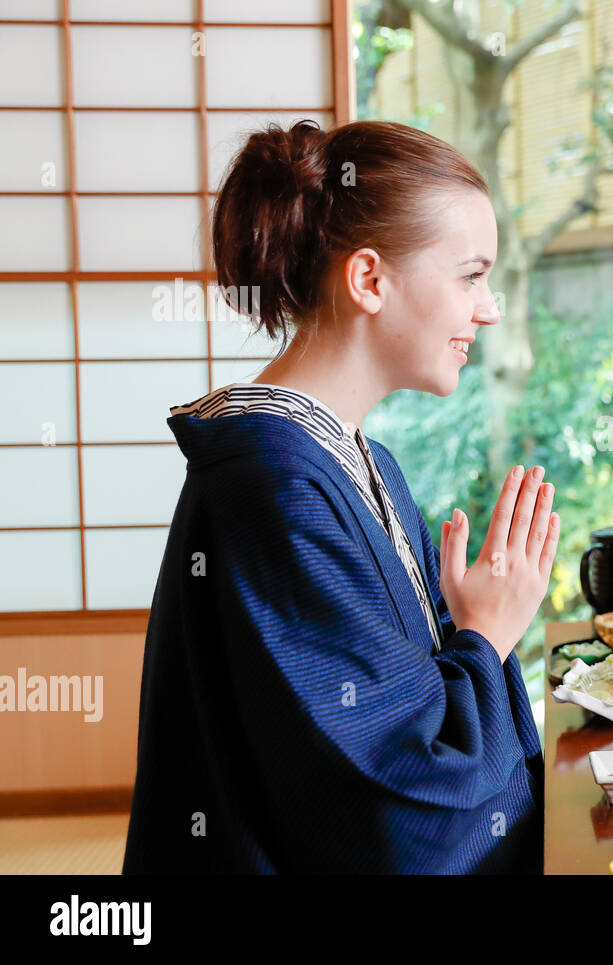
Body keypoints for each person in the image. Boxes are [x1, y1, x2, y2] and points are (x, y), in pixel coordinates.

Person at [123, 119, 555, 874]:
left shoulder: (363, 461)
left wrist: (464, 627)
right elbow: (391, 813)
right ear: (368, 280)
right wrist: (486, 636)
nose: (487, 309)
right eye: (470, 275)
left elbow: (402, 711)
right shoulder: (271, 484)